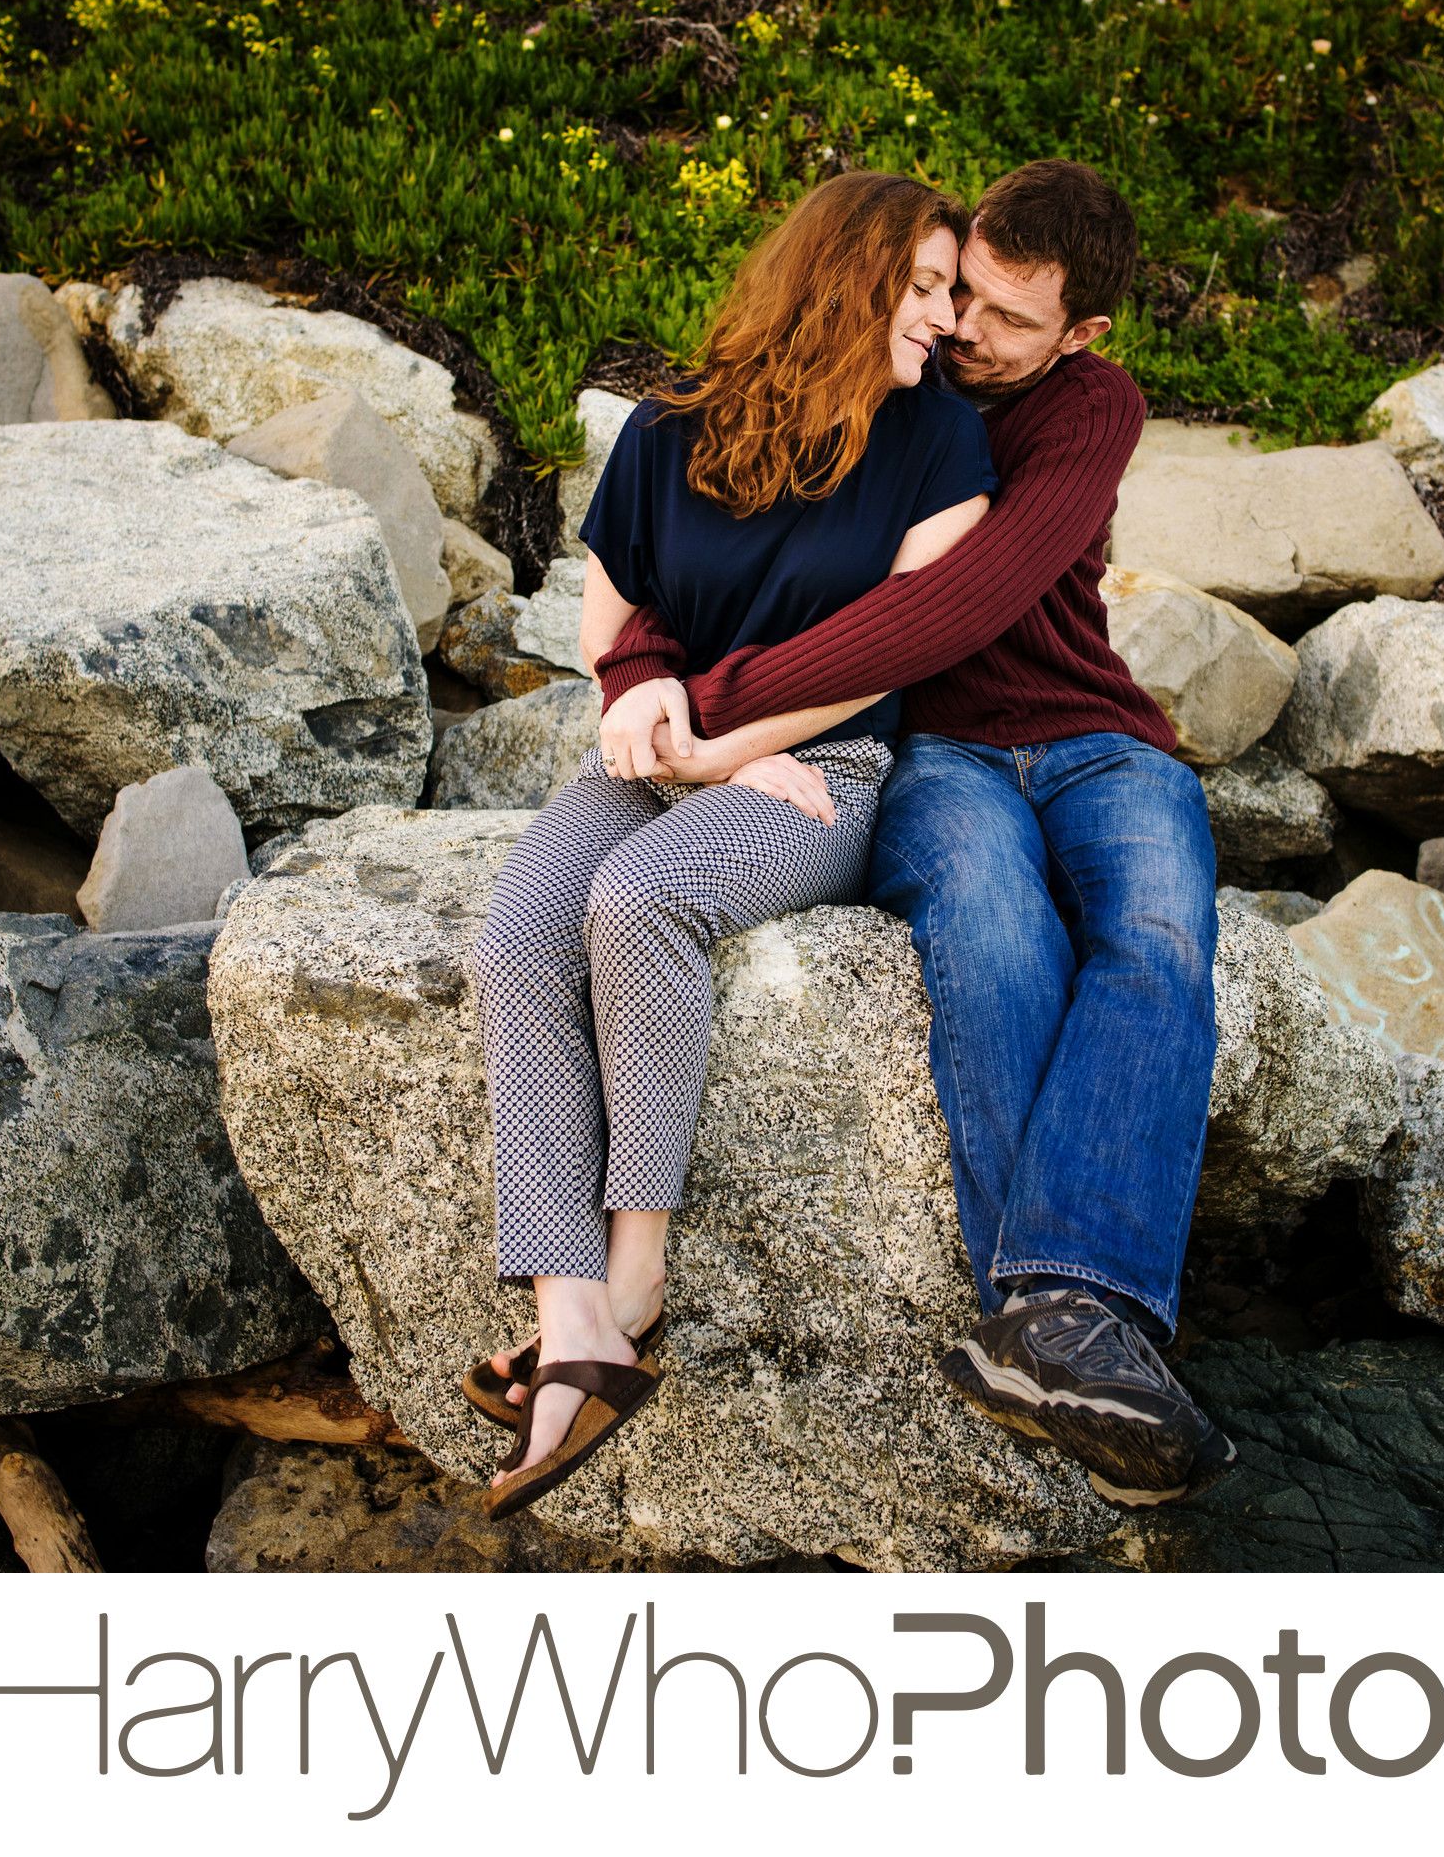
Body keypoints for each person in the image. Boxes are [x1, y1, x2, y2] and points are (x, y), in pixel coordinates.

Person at [594, 159, 1237, 1510]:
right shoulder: (899, 365)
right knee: (993, 930)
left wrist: (718, 706)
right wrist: (653, 668)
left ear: (1083, 335)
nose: (966, 331)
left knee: (1160, 935)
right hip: (931, 750)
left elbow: (966, 604)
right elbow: (710, 523)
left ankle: (1060, 1315)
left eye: (1010, 317)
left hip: (1097, 734)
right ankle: (1072, 1328)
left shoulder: (1088, 408)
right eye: (963, 293)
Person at [462, 170, 998, 1516]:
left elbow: (889, 647)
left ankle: (634, 1271)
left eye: (951, 290)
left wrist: (728, 742)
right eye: (926, 286)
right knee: (519, 931)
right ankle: (569, 1304)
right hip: (666, 749)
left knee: (641, 901)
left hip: (819, 769)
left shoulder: (942, 449)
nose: (946, 319)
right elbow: (614, 609)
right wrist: (644, 690)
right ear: (845, 277)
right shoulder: (670, 429)